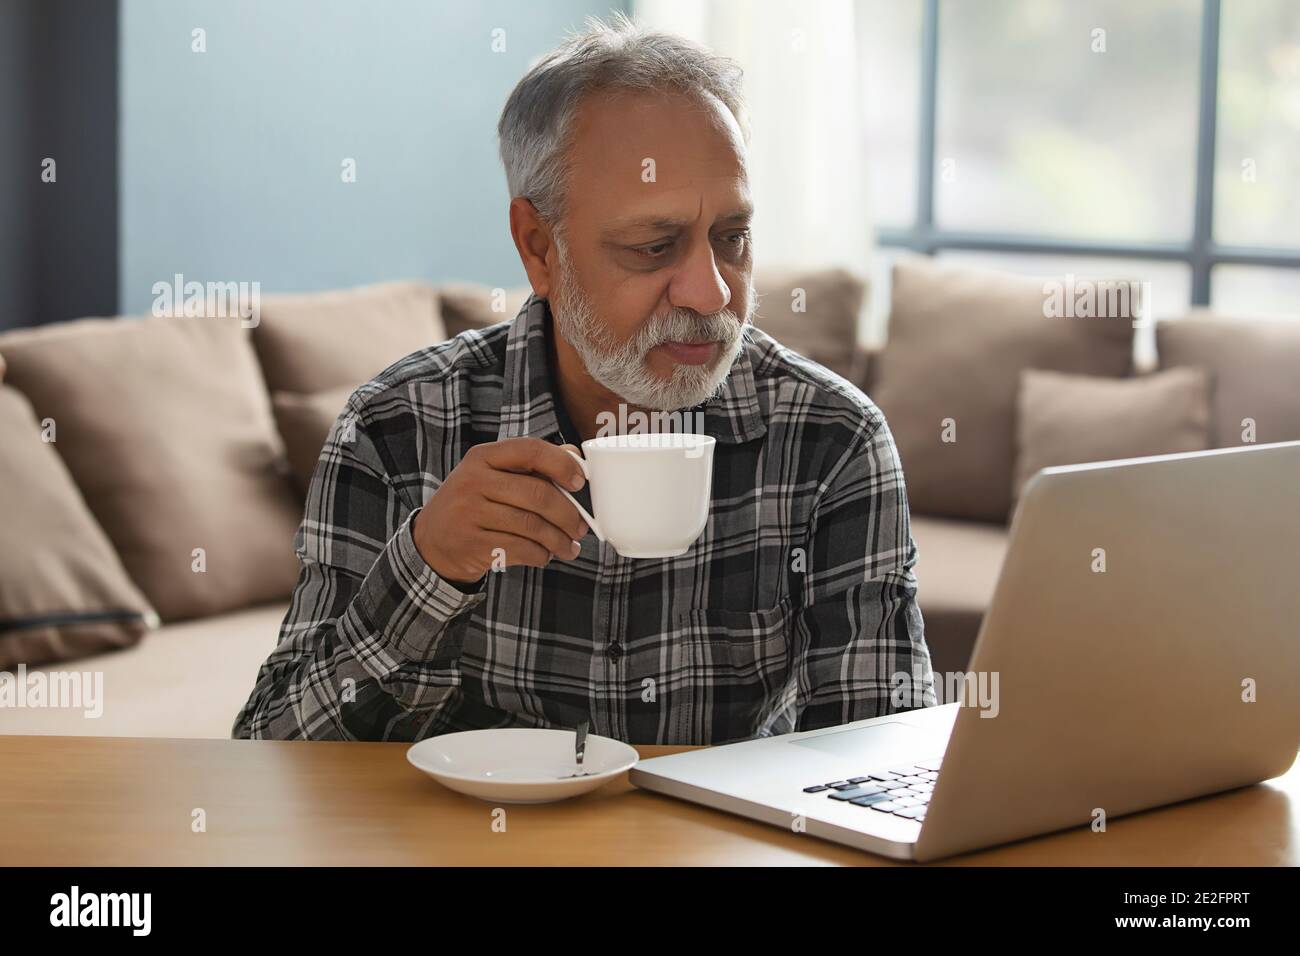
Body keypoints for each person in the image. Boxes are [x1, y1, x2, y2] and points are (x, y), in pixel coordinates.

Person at [233, 12, 935, 744]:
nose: (712, 293)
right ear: (539, 248)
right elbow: (270, 754)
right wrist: (430, 568)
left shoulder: (831, 440)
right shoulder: (397, 428)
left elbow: (876, 765)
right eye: (654, 245)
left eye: (733, 239)